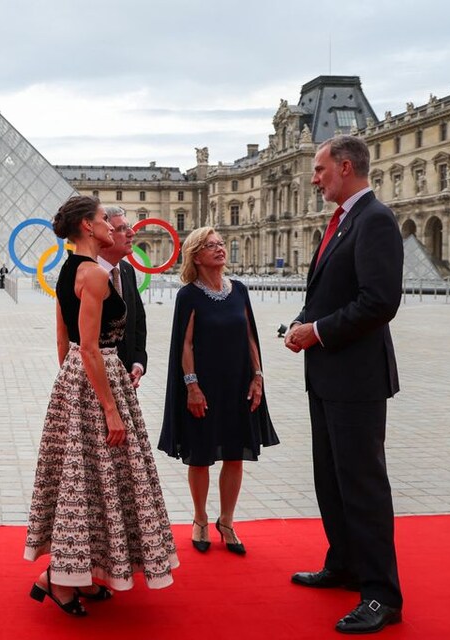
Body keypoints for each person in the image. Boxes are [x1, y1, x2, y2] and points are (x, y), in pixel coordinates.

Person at [24, 195, 178, 617]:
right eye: (103, 221)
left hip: (77, 378)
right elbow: (91, 347)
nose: (112, 227)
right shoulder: (92, 274)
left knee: (87, 480)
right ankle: (60, 580)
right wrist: (109, 407)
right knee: (99, 478)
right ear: (88, 227)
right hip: (100, 375)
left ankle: (79, 574)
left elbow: (65, 343)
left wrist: (72, 384)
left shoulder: (67, 271)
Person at [285, 134, 404, 635]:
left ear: (347, 167)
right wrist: (302, 322)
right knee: (330, 479)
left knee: (362, 484)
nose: (314, 179)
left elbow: (380, 301)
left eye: (319, 169)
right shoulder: (340, 223)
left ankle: (381, 594)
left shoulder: (375, 220)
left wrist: (319, 331)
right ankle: (345, 563)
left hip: (356, 378)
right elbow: (331, 293)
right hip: (328, 374)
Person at [158, 226, 278, 556]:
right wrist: (192, 386)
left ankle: (227, 521)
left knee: (236, 453)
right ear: (196, 256)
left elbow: (250, 336)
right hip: (204, 384)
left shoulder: (239, 290)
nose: (220, 249)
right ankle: (199, 520)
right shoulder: (188, 295)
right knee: (200, 456)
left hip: (238, 382)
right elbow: (185, 344)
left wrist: (257, 375)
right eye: (211, 246)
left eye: (221, 243)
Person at [97, 206, 147, 389]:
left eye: (129, 227)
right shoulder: (85, 273)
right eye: (122, 229)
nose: (132, 233)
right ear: (105, 234)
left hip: (127, 378)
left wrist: (138, 363)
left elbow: (138, 321)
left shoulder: (127, 270)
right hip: (97, 380)